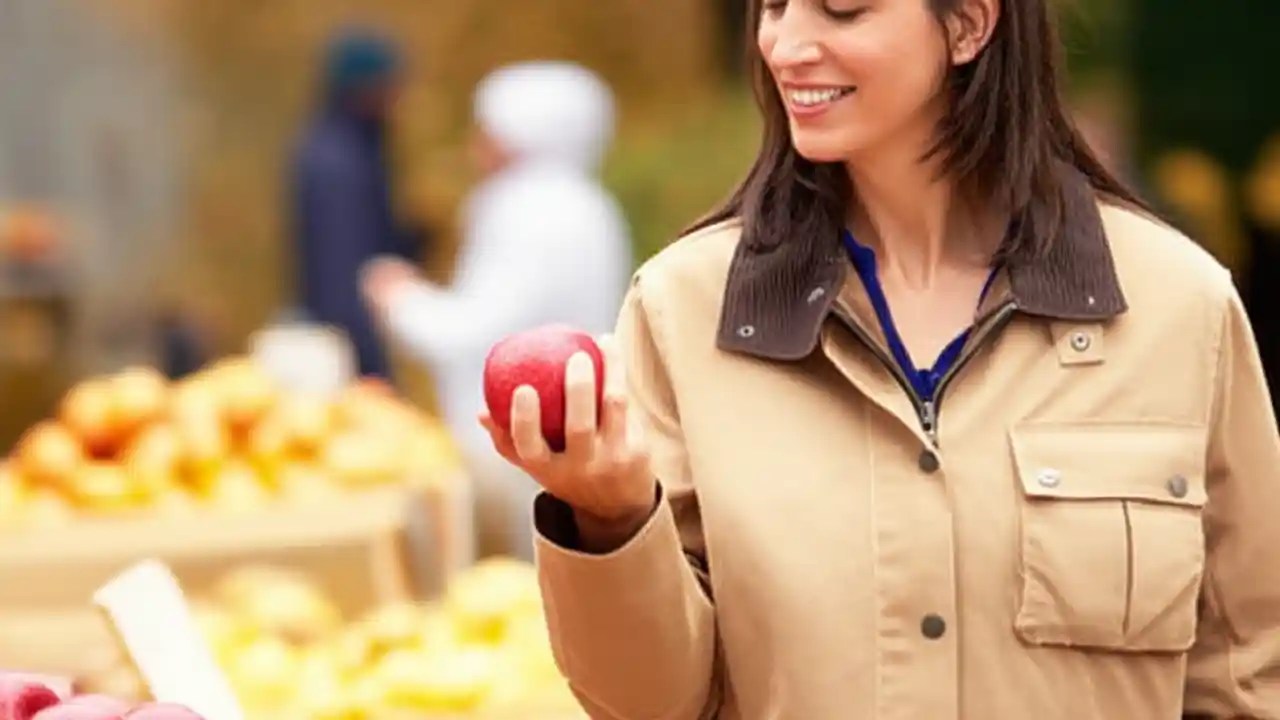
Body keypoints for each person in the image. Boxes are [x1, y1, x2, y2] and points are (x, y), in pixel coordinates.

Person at [477, 1, 1280, 718]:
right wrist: (612, 516)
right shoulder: (683, 308)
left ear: (968, 22)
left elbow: (1248, 676)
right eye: (774, 7)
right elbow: (651, 706)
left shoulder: (1178, 305)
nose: (787, 44)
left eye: (841, 10)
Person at [362, 61, 631, 559]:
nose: (476, 145)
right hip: (570, 429)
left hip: (514, 445)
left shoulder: (528, 209)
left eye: (488, 131)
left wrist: (399, 298)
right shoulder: (589, 204)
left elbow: (474, 331)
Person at [290, 27, 427, 381]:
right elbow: (339, 267)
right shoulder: (337, 162)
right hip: (340, 347)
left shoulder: (358, 150)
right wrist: (369, 368)